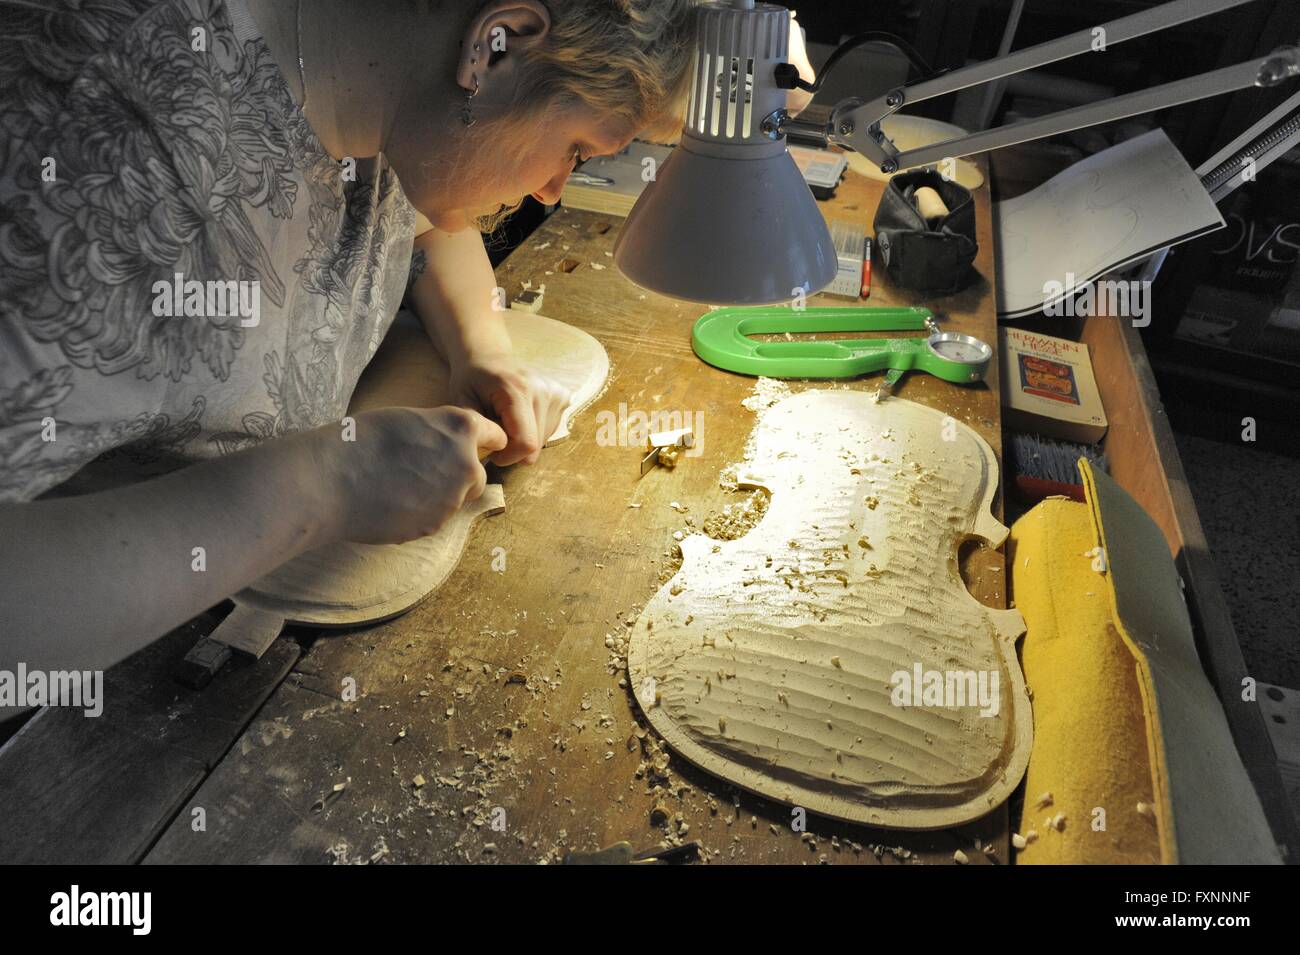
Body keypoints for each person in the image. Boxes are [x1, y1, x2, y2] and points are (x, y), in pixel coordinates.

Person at [0, 0, 814, 675]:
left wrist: (479, 343)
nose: (553, 189)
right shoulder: (98, 172)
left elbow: (425, 211)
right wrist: (324, 483)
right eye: (576, 148)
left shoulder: (376, 67)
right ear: (497, 46)